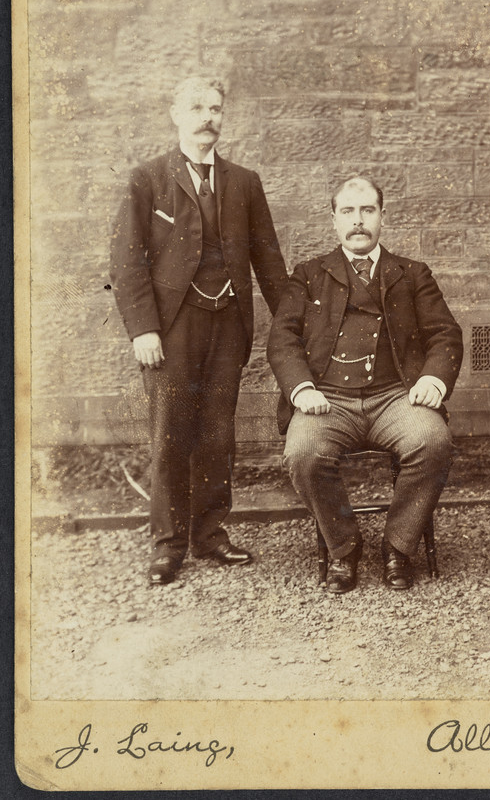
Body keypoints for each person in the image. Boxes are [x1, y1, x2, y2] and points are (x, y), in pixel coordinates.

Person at [110, 76, 288, 585]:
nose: (207, 116)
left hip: (228, 324)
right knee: (170, 434)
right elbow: (126, 262)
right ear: (175, 114)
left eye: (215, 107)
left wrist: (296, 325)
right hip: (172, 328)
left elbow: (269, 261)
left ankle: (210, 534)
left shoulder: (244, 181)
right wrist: (143, 329)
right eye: (196, 107)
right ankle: (167, 545)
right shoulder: (146, 180)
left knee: (217, 434)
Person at [267, 175, 463, 594]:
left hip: (396, 397)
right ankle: (344, 547)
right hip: (327, 399)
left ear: (382, 216)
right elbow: (282, 339)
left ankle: (398, 545)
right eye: (349, 212)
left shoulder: (411, 273)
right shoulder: (307, 275)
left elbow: (445, 334)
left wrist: (432, 379)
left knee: (433, 440)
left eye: (368, 211)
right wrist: (302, 389)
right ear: (334, 219)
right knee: (303, 452)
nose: (359, 221)